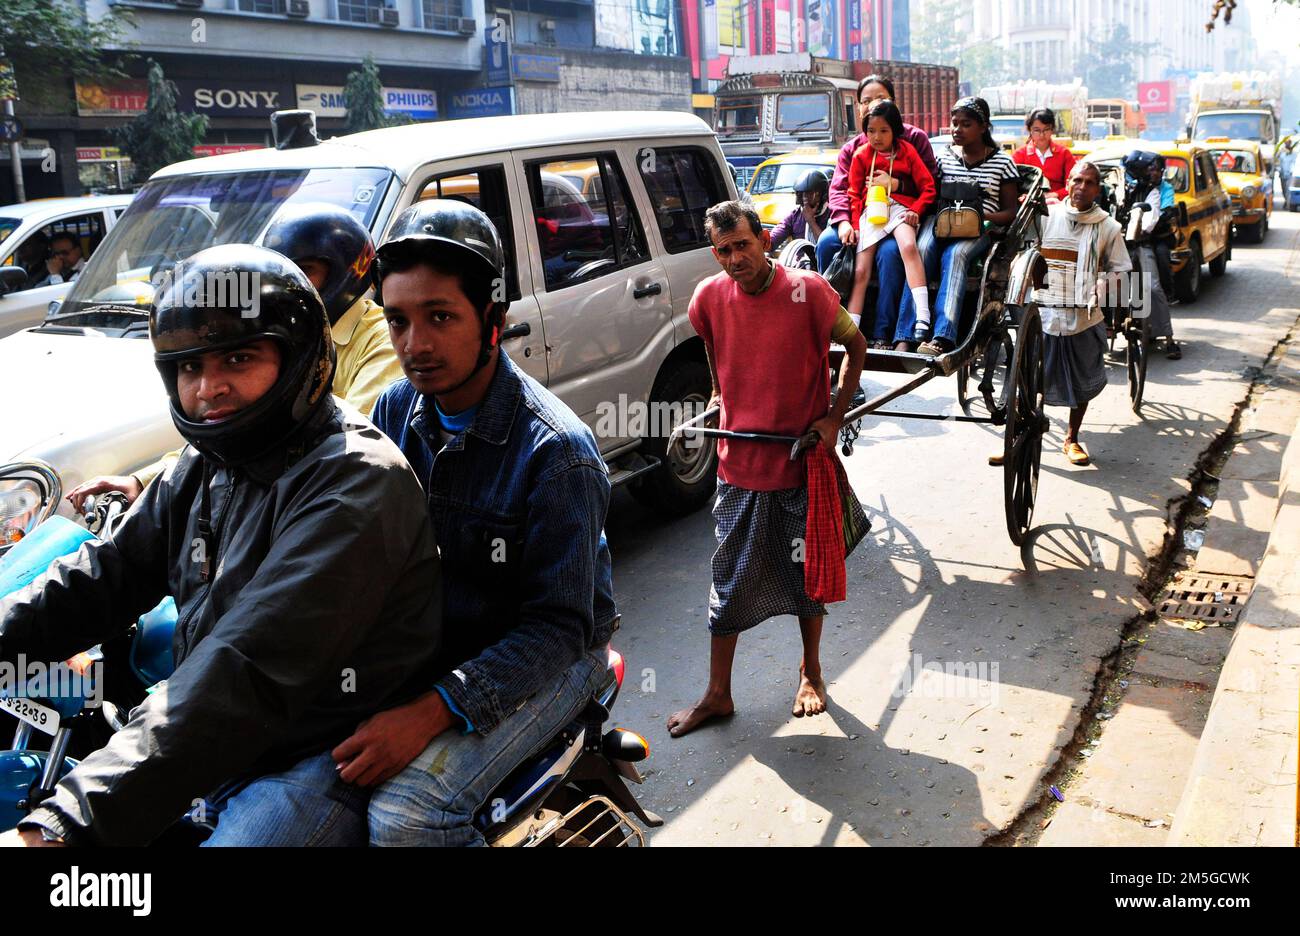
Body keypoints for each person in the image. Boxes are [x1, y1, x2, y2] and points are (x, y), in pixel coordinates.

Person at [0, 244, 441, 847]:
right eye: (189, 367)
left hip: (316, 754)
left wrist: (57, 829)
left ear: (301, 358)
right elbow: (111, 571)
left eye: (238, 358)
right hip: (219, 736)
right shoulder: (209, 462)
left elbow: (243, 668)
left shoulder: (355, 481)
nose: (210, 388)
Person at [339, 200, 617, 847]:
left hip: (561, 655)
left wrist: (433, 709)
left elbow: (558, 627)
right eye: (398, 321)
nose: (416, 345)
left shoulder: (559, 455)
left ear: (492, 321)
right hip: (442, 637)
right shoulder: (395, 406)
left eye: (440, 318)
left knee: (406, 818)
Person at [666, 200, 868, 738]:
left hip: (801, 460)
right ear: (716, 253)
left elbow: (855, 344)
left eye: (744, 246)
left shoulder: (810, 292)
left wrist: (832, 416)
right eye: (725, 250)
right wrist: (717, 390)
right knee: (728, 581)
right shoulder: (708, 299)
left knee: (808, 579)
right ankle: (718, 694)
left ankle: (812, 672)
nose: (736, 259)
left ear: (765, 241)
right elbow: (714, 347)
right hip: (738, 465)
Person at [67, 204, 405, 512]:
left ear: (351, 269)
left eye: (306, 271)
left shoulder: (379, 342)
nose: (290, 285)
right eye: (191, 368)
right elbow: (226, 435)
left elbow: (341, 441)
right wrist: (145, 481)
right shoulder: (269, 339)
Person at [817, 73, 941, 347]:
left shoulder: (913, 141)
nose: (873, 104)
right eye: (866, 100)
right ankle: (830, 323)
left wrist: (897, 183)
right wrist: (845, 223)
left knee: (892, 252)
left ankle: (891, 333)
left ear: (893, 104)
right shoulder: (855, 149)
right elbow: (840, 189)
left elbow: (931, 183)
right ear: (859, 108)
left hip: (902, 213)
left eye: (881, 99)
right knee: (827, 243)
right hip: (863, 215)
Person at [1038, 161, 1132, 466]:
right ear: (1067, 181)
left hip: (1084, 316)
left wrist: (1103, 286)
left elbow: (1122, 268)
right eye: (1077, 179)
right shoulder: (1045, 216)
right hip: (1043, 313)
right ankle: (1022, 435)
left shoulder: (1108, 226)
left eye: (1090, 182)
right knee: (1029, 379)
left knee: (1080, 382)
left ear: (1098, 189)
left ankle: (1072, 438)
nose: (1082, 186)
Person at [921, 97, 1021, 357]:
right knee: (920, 249)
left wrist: (983, 216)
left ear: (983, 127)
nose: (957, 129)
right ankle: (914, 330)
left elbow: (1011, 212)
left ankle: (943, 336)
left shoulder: (1003, 163)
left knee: (956, 255)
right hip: (944, 222)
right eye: (954, 123)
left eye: (965, 124)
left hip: (980, 228)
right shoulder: (944, 159)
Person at [844, 99, 936, 343]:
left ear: (895, 130)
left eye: (884, 131)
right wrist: (854, 225)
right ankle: (851, 330)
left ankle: (922, 317)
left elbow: (928, 188)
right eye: (871, 131)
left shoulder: (907, 151)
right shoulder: (861, 155)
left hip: (900, 210)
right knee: (861, 270)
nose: (877, 137)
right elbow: (853, 194)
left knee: (908, 246)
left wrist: (915, 209)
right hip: (870, 211)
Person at [1126, 150, 1180, 360]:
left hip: (1148, 241)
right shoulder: (1120, 187)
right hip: (1120, 243)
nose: (1152, 173)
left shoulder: (1157, 192)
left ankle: (1168, 337)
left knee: (1152, 287)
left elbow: (1151, 222)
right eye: (1149, 169)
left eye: (1155, 169)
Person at [1012, 108, 1076, 204]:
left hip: (1059, 205)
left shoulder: (1064, 154)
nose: (1042, 135)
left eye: (1046, 129)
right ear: (1029, 130)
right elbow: (1012, 187)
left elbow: (1074, 183)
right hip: (1028, 208)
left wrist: (1056, 194)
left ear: (1052, 129)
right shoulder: (1019, 155)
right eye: (1037, 130)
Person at [769, 169, 830, 251]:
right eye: (802, 194)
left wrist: (811, 221)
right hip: (801, 262)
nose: (805, 200)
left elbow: (827, 248)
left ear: (822, 195)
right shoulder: (794, 216)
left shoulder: (832, 214)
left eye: (809, 194)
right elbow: (772, 240)